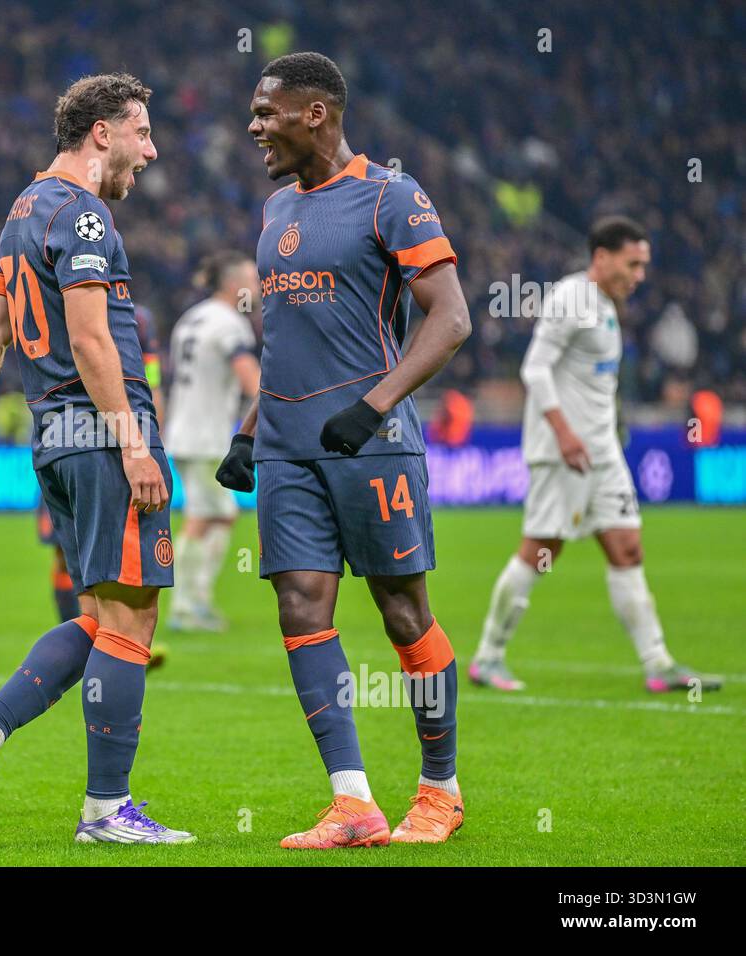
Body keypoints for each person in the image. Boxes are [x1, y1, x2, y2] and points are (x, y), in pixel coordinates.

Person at [0, 73, 193, 844]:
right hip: (101, 432)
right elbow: (92, 340)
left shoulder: (24, 212)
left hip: (53, 436)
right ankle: (106, 811)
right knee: (131, 617)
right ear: (101, 133)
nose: (151, 152)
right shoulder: (84, 216)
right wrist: (134, 443)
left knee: (96, 618)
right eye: (142, 133)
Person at [218, 52, 471, 847]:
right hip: (287, 448)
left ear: (315, 113)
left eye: (268, 113)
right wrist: (248, 433)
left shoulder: (391, 197)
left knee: (402, 611)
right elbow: (288, 338)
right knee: (298, 604)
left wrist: (375, 407)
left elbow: (451, 318)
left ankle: (439, 791)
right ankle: (353, 801)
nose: (255, 127)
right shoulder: (272, 213)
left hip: (372, 444)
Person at [471, 216, 722, 694]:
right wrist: (565, 434)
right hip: (565, 454)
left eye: (644, 266)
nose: (640, 275)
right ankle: (488, 656)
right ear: (602, 257)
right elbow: (536, 370)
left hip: (602, 453)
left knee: (627, 548)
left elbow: (592, 381)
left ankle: (658, 664)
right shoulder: (570, 299)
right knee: (542, 552)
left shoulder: (607, 305)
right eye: (633, 264)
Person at [164, 251, 260, 631]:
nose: (257, 289)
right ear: (234, 285)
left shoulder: (192, 317)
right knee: (203, 518)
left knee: (218, 513)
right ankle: (185, 606)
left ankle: (195, 600)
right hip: (206, 436)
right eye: (252, 281)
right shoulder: (230, 323)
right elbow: (250, 377)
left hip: (184, 429)